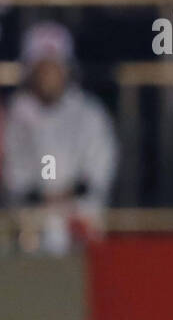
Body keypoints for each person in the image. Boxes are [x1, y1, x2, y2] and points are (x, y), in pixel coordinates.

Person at [3, 23, 118, 255]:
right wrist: (44, 198)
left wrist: (65, 196)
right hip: (28, 226)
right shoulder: (16, 115)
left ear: (66, 68)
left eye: (54, 66)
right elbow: (14, 176)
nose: (48, 75)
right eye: (41, 67)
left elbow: (100, 171)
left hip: (81, 220)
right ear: (30, 70)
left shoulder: (89, 113)